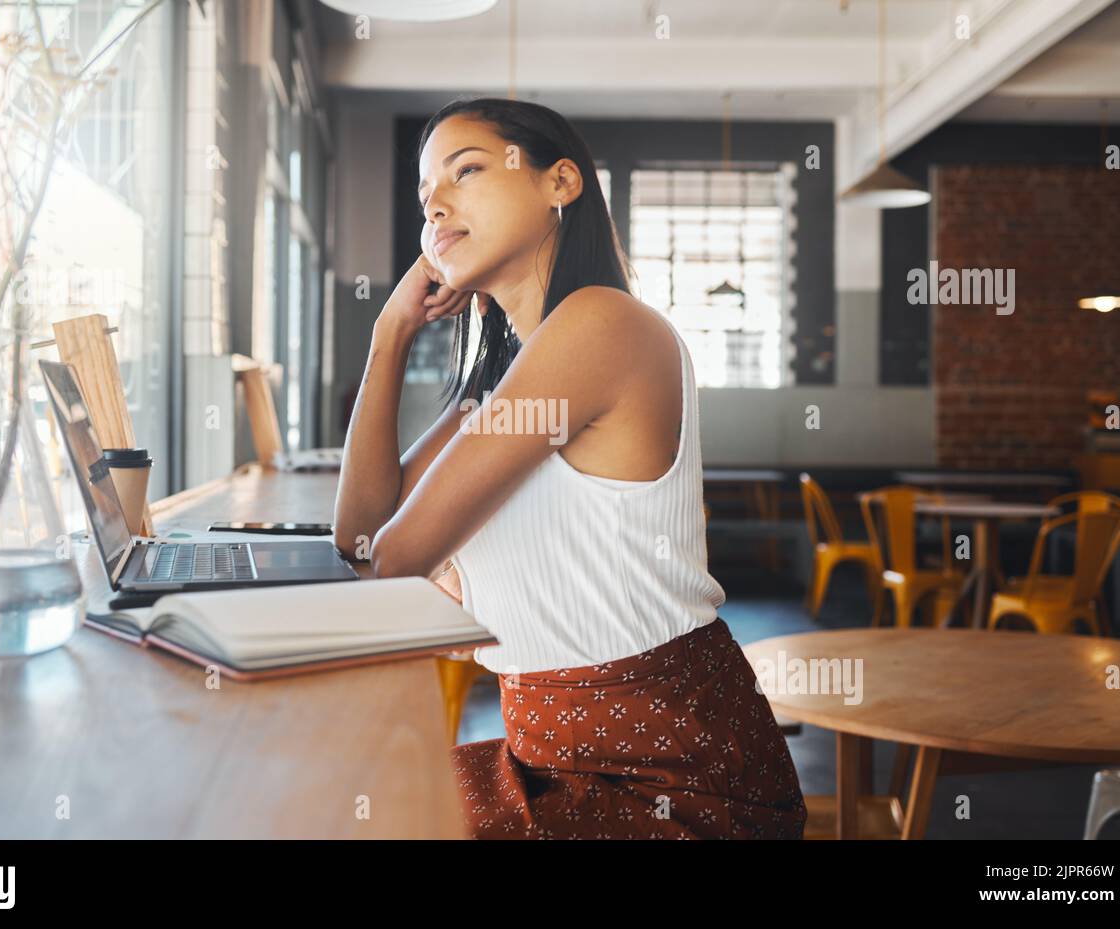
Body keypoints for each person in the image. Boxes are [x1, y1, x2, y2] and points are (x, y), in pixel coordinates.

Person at [333, 97, 806, 839]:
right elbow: (360, 539)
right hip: (554, 753)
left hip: (666, 771)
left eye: (467, 171)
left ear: (561, 182)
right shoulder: (502, 388)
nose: (438, 207)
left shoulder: (603, 324)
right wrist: (388, 333)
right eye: (426, 197)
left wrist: (419, 566)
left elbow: (390, 559)